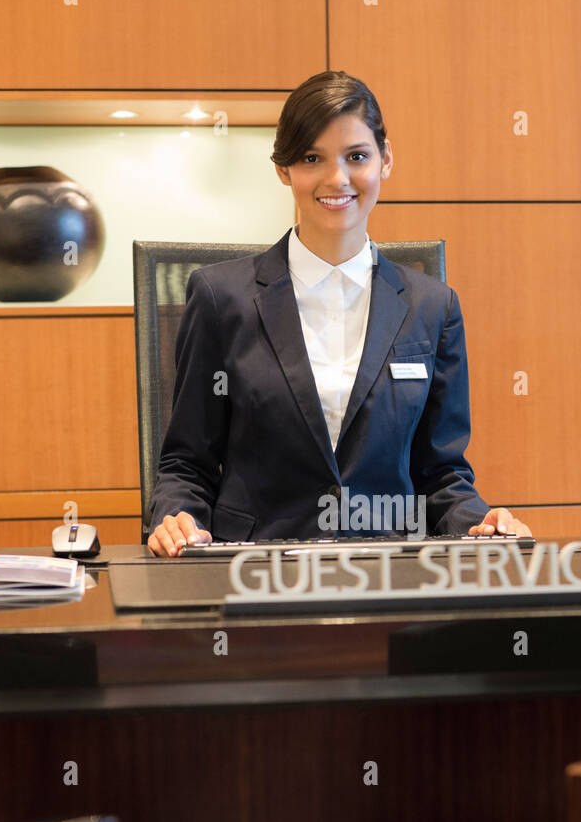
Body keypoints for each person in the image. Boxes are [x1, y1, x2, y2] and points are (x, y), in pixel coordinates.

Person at [147, 70, 531, 556]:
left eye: (357, 156)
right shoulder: (221, 298)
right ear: (284, 170)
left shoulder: (433, 307)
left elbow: (441, 475)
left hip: (392, 575)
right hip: (254, 572)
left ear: (385, 160)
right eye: (312, 158)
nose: (337, 179)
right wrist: (175, 517)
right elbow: (187, 464)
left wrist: (481, 524)